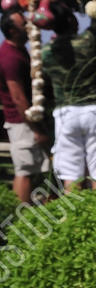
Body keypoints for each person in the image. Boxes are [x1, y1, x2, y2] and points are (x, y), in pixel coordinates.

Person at [40, 2, 96, 190]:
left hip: (65, 113)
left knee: (71, 173)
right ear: (70, 20)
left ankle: (75, 218)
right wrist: (95, 0)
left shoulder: (45, 52)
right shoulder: (88, 41)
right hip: (94, 111)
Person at [1, 11, 47, 201]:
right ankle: (19, 220)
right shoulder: (9, 58)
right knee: (25, 170)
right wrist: (34, 128)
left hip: (25, 120)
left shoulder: (19, 51)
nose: (29, 25)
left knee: (32, 169)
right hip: (21, 122)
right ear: (12, 30)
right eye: (24, 23)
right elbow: (18, 97)